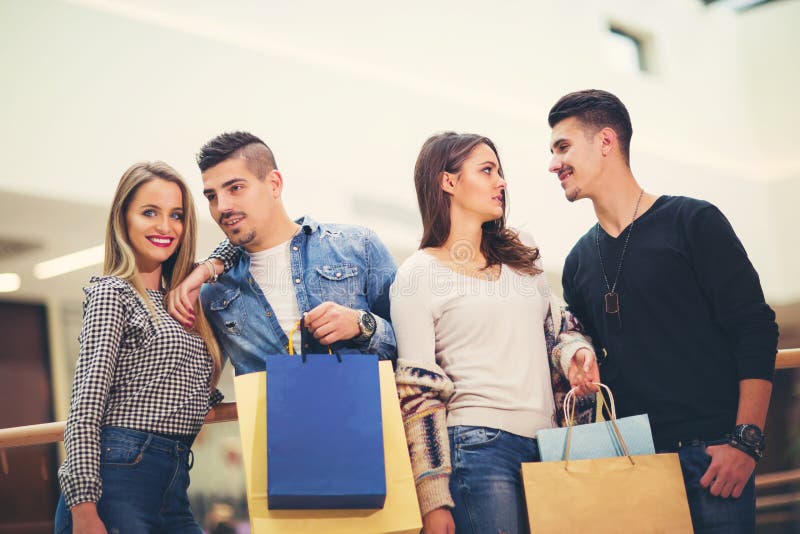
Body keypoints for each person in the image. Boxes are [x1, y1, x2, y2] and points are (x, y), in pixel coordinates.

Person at [548, 89, 779, 533]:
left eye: (563, 147)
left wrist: (745, 443)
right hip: (635, 467)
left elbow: (755, 329)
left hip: (714, 459)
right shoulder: (577, 263)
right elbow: (582, 349)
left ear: (605, 141)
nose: (553, 164)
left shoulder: (693, 222)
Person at [391, 132, 599, 534]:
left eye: (499, 172)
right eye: (487, 171)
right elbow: (417, 395)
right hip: (476, 449)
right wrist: (433, 500)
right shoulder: (416, 275)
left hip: (553, 448)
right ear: (448, 181)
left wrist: (574, 352)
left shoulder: (522, 249)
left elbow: (558, 329)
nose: (501, 182)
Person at [55, 162, 224, 533]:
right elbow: (85, 407)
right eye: (149, 212)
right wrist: (83, 508)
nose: (165, 227)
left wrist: (204, 270)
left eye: (176, 215)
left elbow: (242, 249)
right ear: (123, 219)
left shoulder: (182, 299)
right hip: (116, 480)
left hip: (173, 483)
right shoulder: (112, 293)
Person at [166, 131, 397, 374]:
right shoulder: (213, 293)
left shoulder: (358, 245)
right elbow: (199, 382)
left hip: (366, 399)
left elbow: (411, 350)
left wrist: (362, 324)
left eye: (235, 188)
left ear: (274, 184)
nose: (221, 206)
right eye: (212, 196)